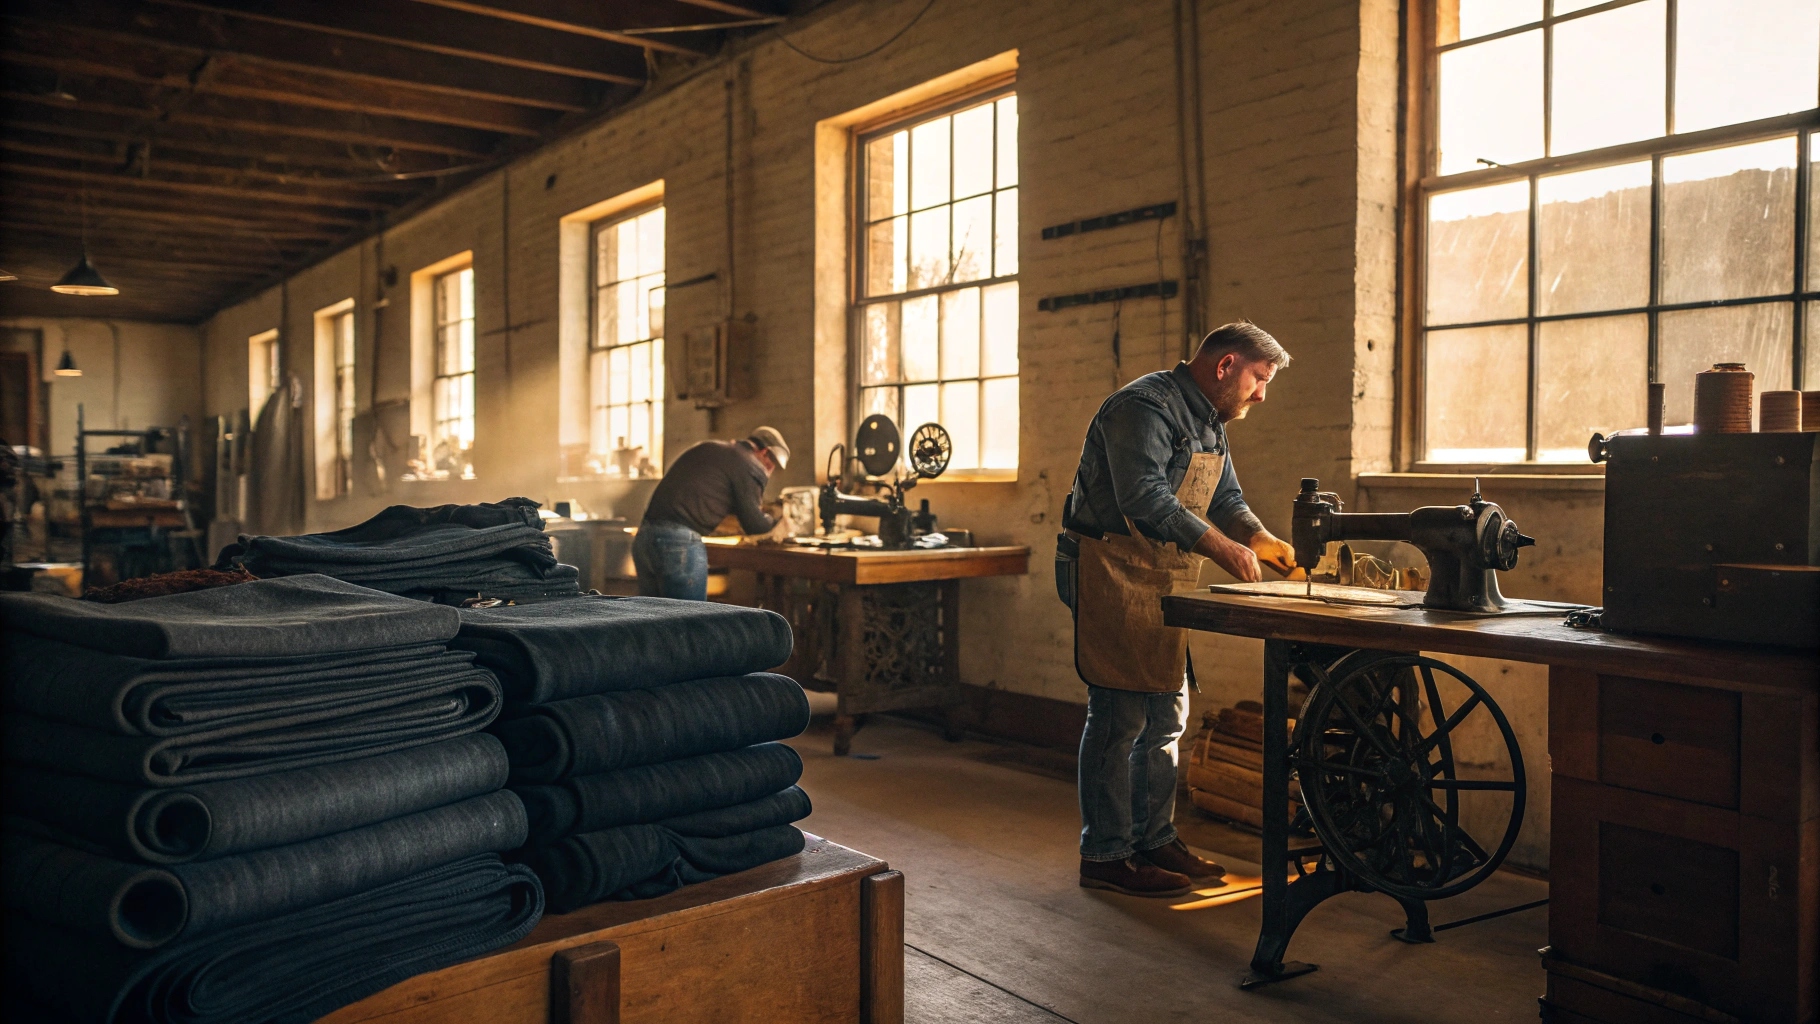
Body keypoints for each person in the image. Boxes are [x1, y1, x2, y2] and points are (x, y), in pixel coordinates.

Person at [1057, 322, 1297, 897]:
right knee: (1120, 718)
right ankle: (1107, 856)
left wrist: (1259, 537)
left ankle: (1154, 839)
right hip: (1110, 566)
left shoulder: (1210, 421)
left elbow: (1226, 497)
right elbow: (1143, 496)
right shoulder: (1142, 407)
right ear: (1225, 366)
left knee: (1167, 716)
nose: (1261, 394)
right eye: (1258, 379)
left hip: (1159, 570)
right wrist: (1222, 547)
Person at [634, 426, 790, 600]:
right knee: (689, 622)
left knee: (652, 622)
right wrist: (779, 519)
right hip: (678, 544)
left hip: (645, 538)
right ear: (763, 452)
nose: (770, 469)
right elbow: (755, 524)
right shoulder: (749, 464)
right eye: (771, 463)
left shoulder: (711, 448)